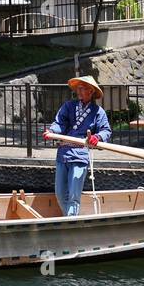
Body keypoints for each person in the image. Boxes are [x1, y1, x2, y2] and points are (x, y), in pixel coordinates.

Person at [45, 75, 112, 217]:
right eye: (78, 89)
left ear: (91, 91)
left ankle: (70, 223)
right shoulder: (68, 106)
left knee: (74, 196)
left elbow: (106, 130)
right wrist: (52, 131)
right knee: (60, 193)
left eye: (83, 89)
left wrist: (97, 137)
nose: (79, 92)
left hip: (80, 155)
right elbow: (59, 123)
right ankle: (70, 219)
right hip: (63, 153)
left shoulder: (98, 112)